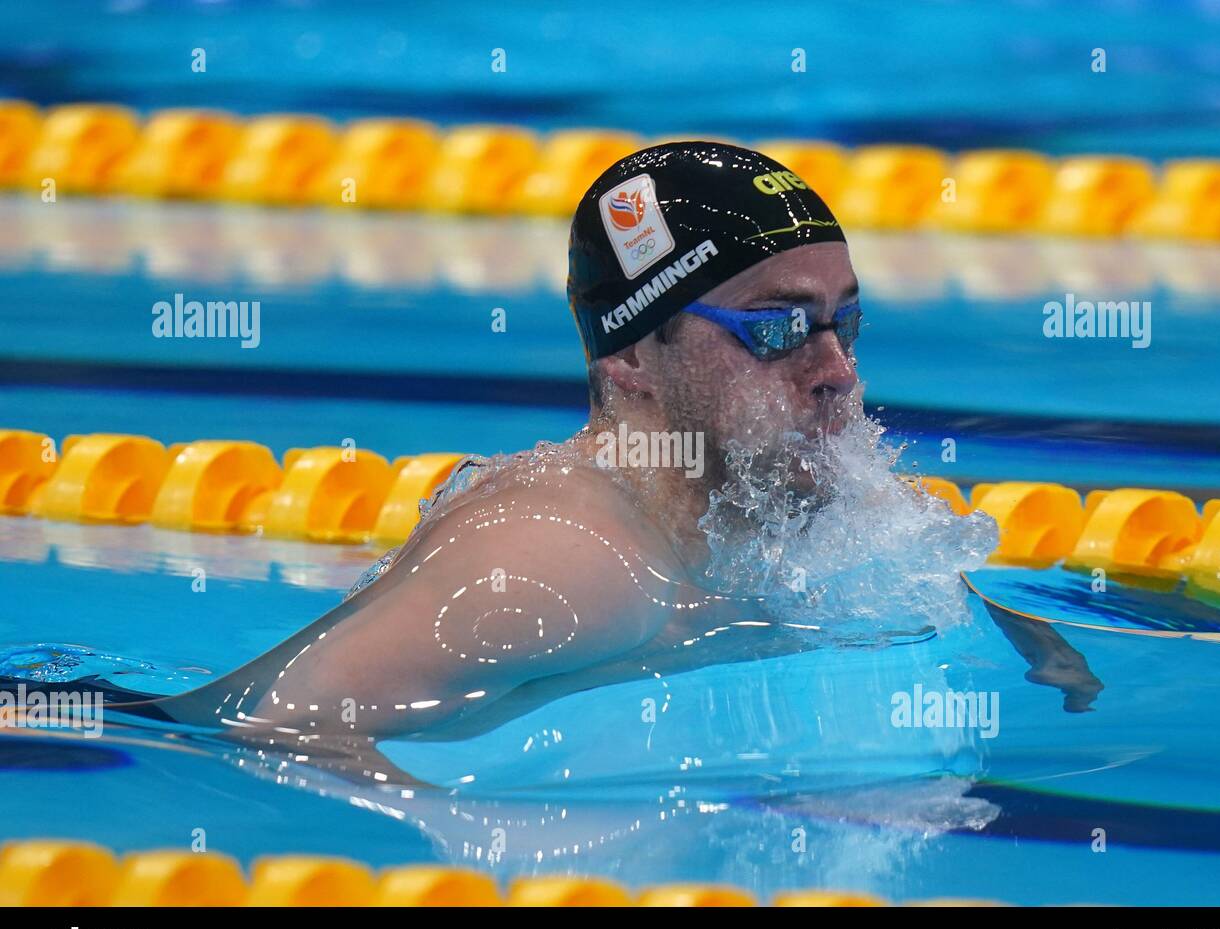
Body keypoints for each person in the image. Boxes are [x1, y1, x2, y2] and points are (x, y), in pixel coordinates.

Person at [156, 141, 889, 737]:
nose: (837, 374)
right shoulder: (566, 555)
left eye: (843, 324)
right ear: (632, 354)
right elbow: (282, 733)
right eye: (776, 329)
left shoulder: (761, 527)